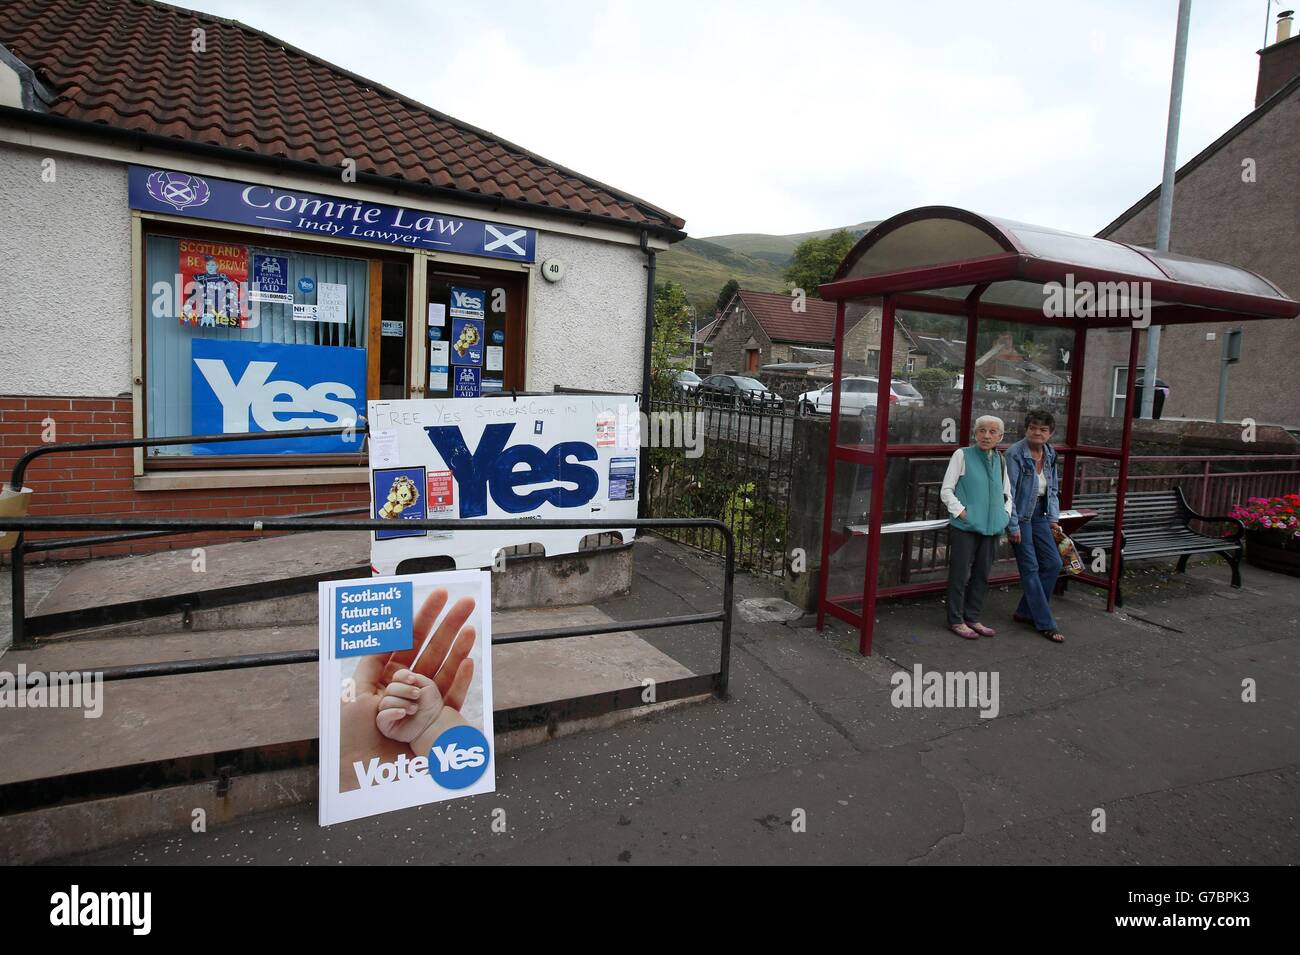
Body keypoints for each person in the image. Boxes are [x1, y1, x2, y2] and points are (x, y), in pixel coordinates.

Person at [940, 415, 1012, 639]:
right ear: (975, 433)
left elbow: (1007, 493)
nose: (986, 435)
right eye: (982, 430)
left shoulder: (1000, 459)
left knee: (982, 574)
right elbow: (946, 490)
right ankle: (956, 619)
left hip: (993, 526)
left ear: (1000, 437)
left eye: (992, 432)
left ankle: (972, 617)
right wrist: (962, 513)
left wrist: (1005, 515)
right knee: (960, 574)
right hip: (966, 526)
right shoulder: (962, 455)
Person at [1006, 409, 1066, 643]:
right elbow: (1008, 492)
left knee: (1053, 563)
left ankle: (1024, 611)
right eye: (1033, 428)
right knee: (1030, 567)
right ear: (1026, 429)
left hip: (1041, 513)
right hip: (1021, 516)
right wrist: (1013, 526)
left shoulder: (1050, 453)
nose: (1037, 433)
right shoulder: (1015, 454)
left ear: (1050, 433)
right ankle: (1045, 622)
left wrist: (1053, 518)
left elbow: (1052, 488)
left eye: (1043, 429)